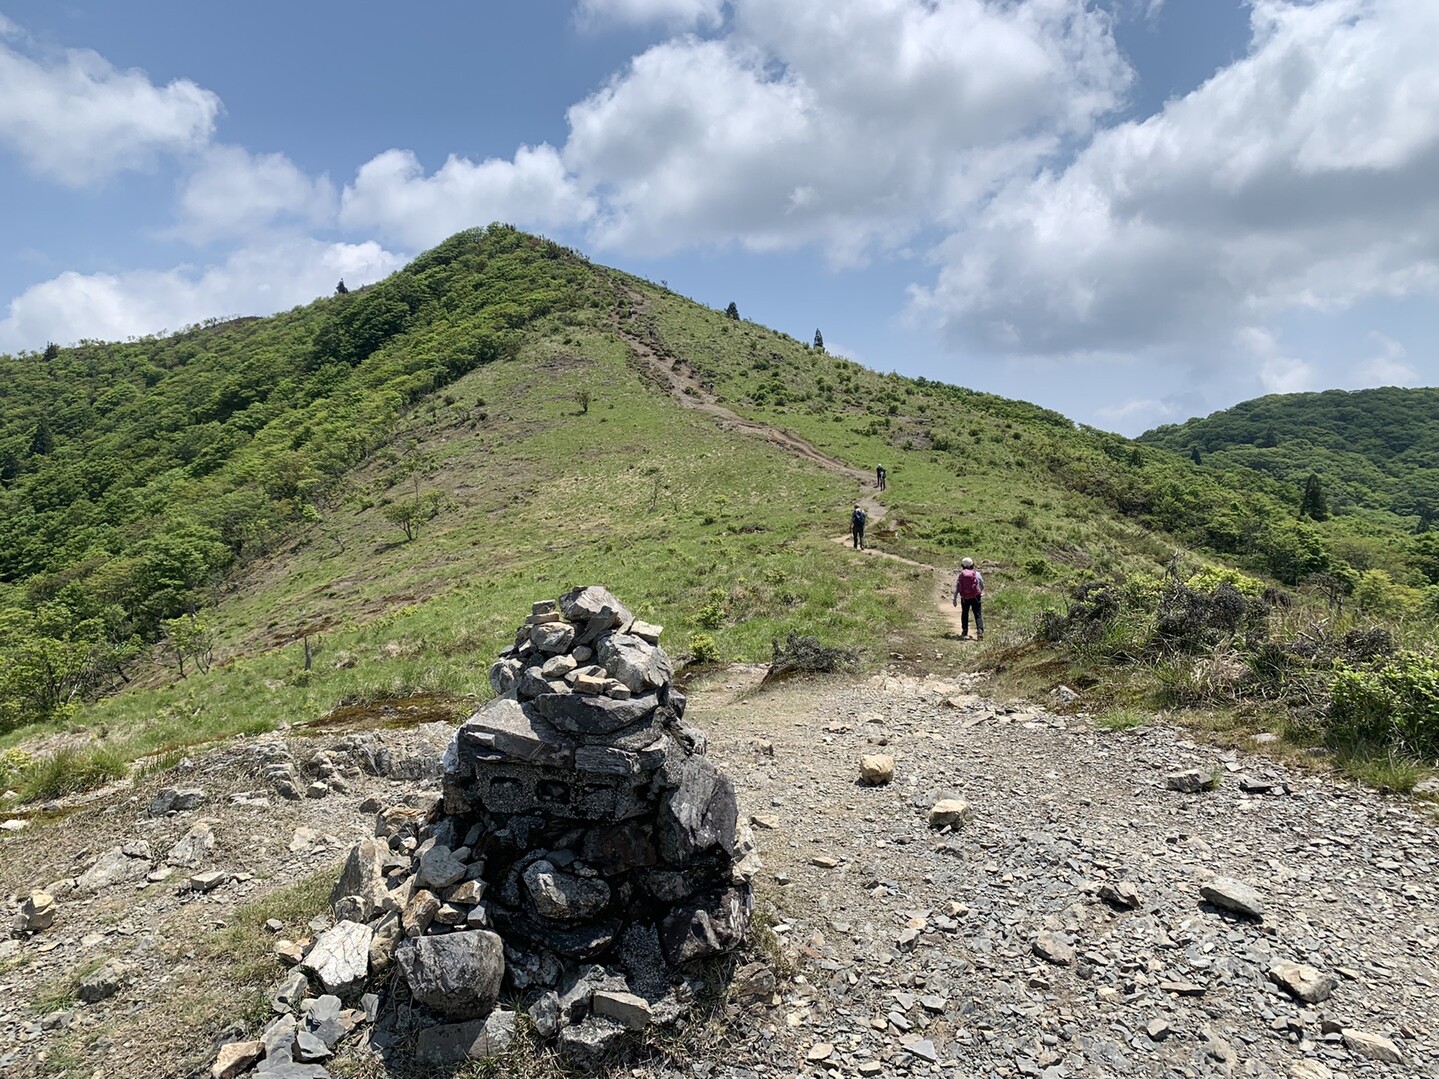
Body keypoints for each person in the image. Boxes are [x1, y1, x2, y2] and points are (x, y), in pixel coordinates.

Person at [952, 557, 984, 639]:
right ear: (972, 565)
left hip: (965, 597)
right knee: (977, 614)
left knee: (965, 613)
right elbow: (982, 584)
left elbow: (958, 587)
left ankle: (965, 631)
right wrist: (980, 591)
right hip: (976, 596)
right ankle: (980, 631)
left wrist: (955, 598)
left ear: (962, 565)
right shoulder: (977, 574)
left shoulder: (961, 575)